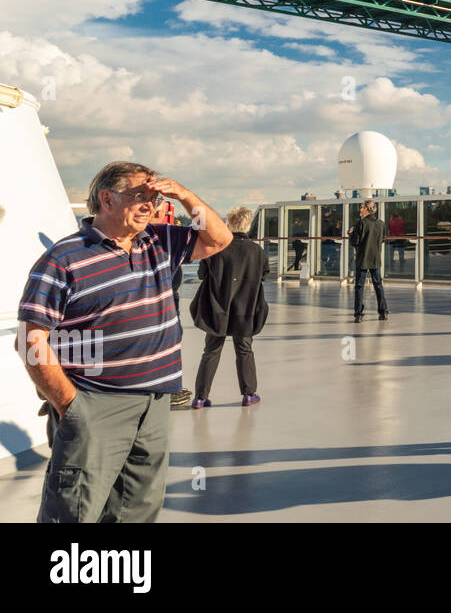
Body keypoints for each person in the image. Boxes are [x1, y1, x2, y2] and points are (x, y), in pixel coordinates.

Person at [15, 161, 231, 523]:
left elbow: (218, 239)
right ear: (107, 198)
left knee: (137, 508)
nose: (149, 204)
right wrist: (70, 404)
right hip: (96, 404)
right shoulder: (64, 259)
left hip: (156, 405)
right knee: (74, 509)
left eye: (154, 196)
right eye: (138, 195)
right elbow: (31, 339)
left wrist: (183, 194)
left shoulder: (160, 242)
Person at [190, 206, 270, 407]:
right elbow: (264, 275)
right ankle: (249, 393)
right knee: (244, 349)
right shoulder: (257, 251)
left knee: (211, 350)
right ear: (248, 224)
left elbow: (202, 274)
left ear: (228, 224)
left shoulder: (217, 248)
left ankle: (200, 396)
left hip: (218, 307)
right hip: (245, 308)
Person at [151, 203, 194, 408]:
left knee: (173, 339)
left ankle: (169, 387)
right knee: (167, 340)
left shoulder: (166, 237)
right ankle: (166, 390)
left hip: (171, 297)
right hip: (164, 299)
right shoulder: (158, 239)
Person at [348, 200, 387, 322]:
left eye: (362, 207)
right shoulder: (381, 224)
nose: (360, 209)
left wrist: (351, 233)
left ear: (366, 209)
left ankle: (358, 314)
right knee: (378, 285)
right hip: (375, 258)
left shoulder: (361, 223)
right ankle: (383, 312)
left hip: (363, 259)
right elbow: (383, 239)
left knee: (359, 287)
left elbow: (355, 242)